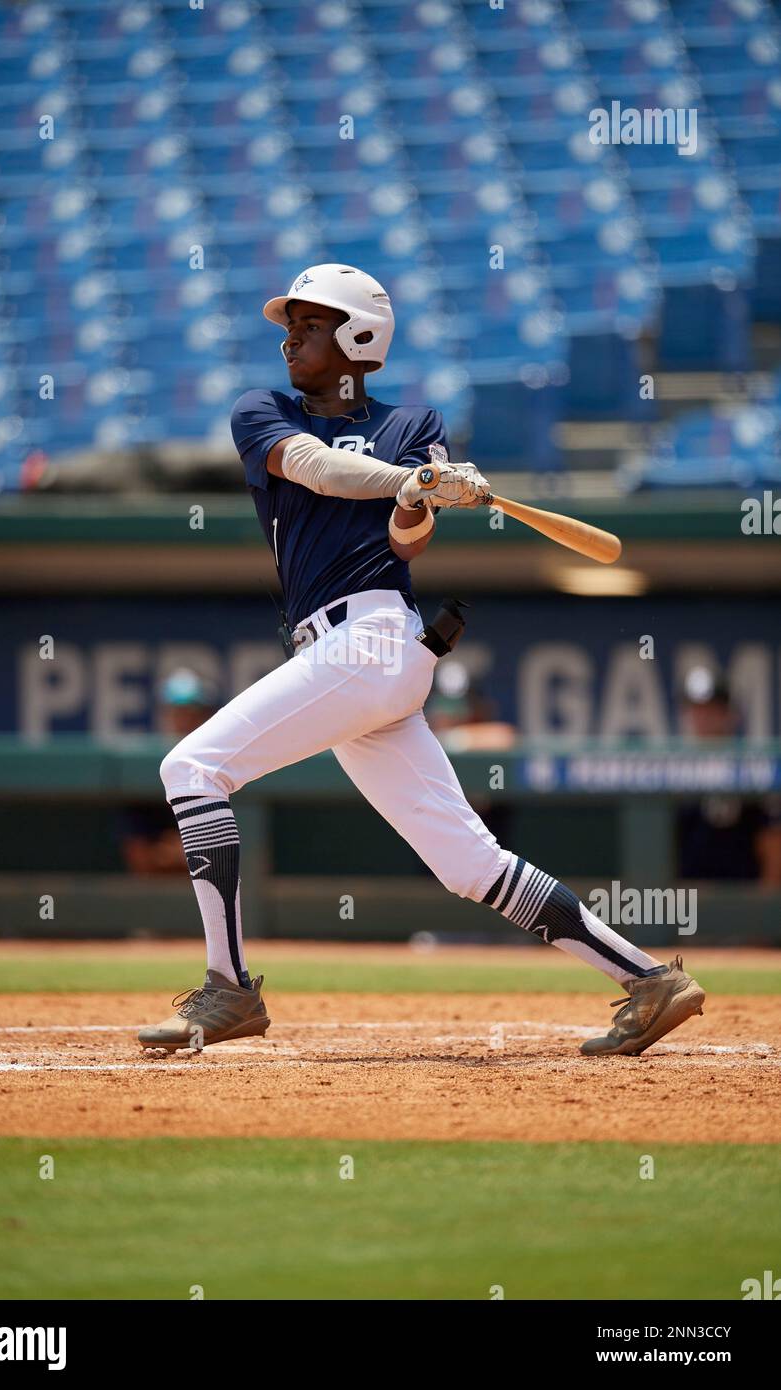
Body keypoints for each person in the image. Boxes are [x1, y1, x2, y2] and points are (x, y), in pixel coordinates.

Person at [139, 264, 705, 1057]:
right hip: (352, 656)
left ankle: (229, 990)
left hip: (373, 640)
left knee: (192, 769)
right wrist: (413, 479)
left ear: (358, 337)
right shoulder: (261, 411)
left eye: (310, 323)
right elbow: (318, 470)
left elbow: (407, 542)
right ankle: (649, 980)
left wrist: (420, 497)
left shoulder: (413, 422)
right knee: (468, 863)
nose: (290, 337)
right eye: (290, 323)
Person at [676, 667, 781, 884]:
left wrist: (764, 906)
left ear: (729, 715)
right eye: (696, 711)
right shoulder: (675, 768)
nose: (702, 719)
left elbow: (772, 842)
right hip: (687, 898)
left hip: (741, 895)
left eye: (711, 711)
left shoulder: (753, 766)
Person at [119, 669, 221, 876]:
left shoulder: (223, 765)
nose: (185, 722)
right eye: (178, 713)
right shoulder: (145, 771)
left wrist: (183, 851)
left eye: (194, 713)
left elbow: (239, 857)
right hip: (157, 896)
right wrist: (186, 853)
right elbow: (138, 858)